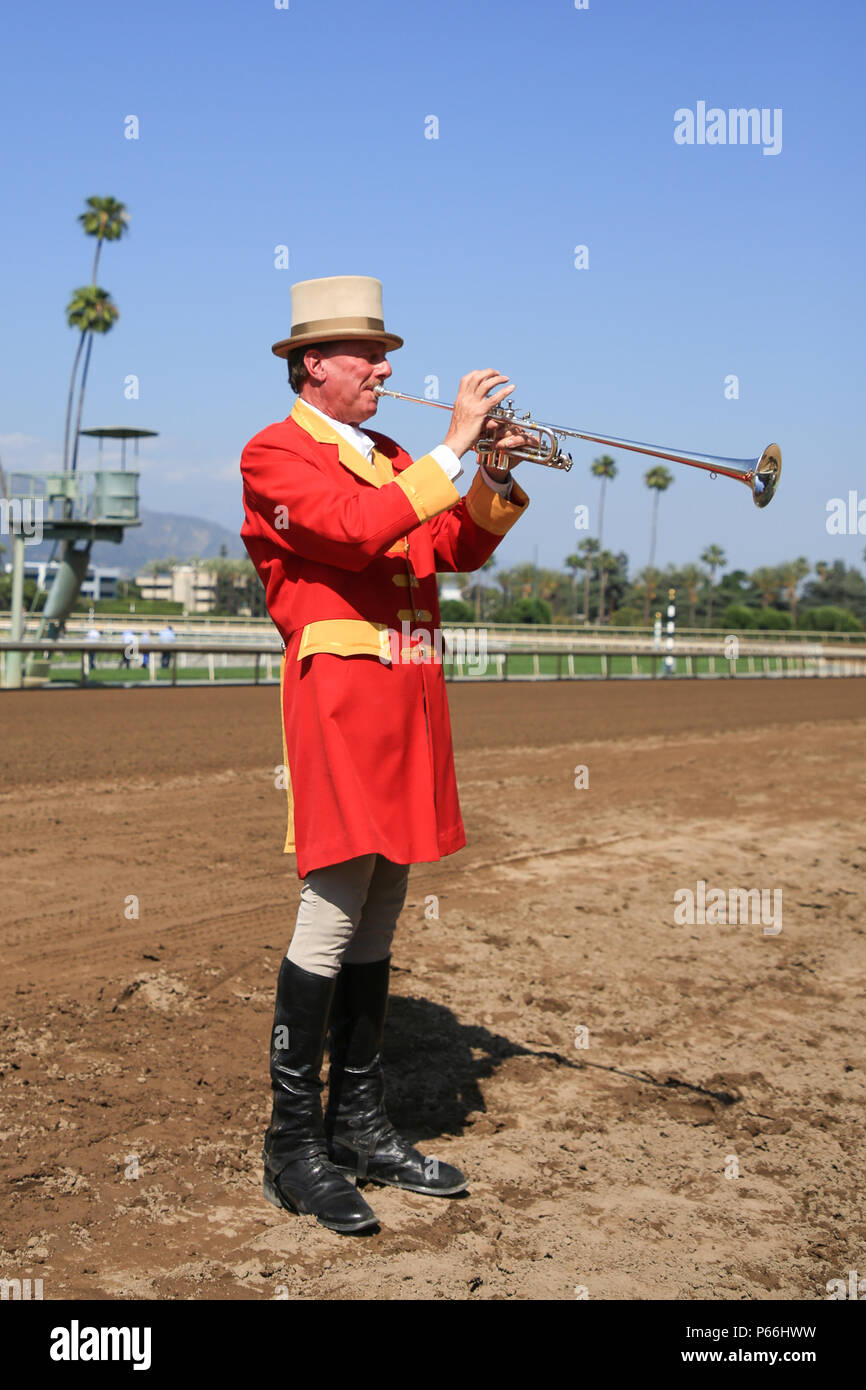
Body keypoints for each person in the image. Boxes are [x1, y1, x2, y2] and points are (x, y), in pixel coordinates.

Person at [240, 275, 531, 1235]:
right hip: (340, 702)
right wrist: (454, 445)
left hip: (409, 696)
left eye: (381, 352)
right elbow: (356, 531)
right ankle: (292, 1148)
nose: (384, 368)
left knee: (384, 900)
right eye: (366, 355)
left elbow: (456, 547)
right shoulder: (275, 452)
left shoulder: (393, 453)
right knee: (331, 902)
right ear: (311, 364)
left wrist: (487, 472)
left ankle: (358, 1125)